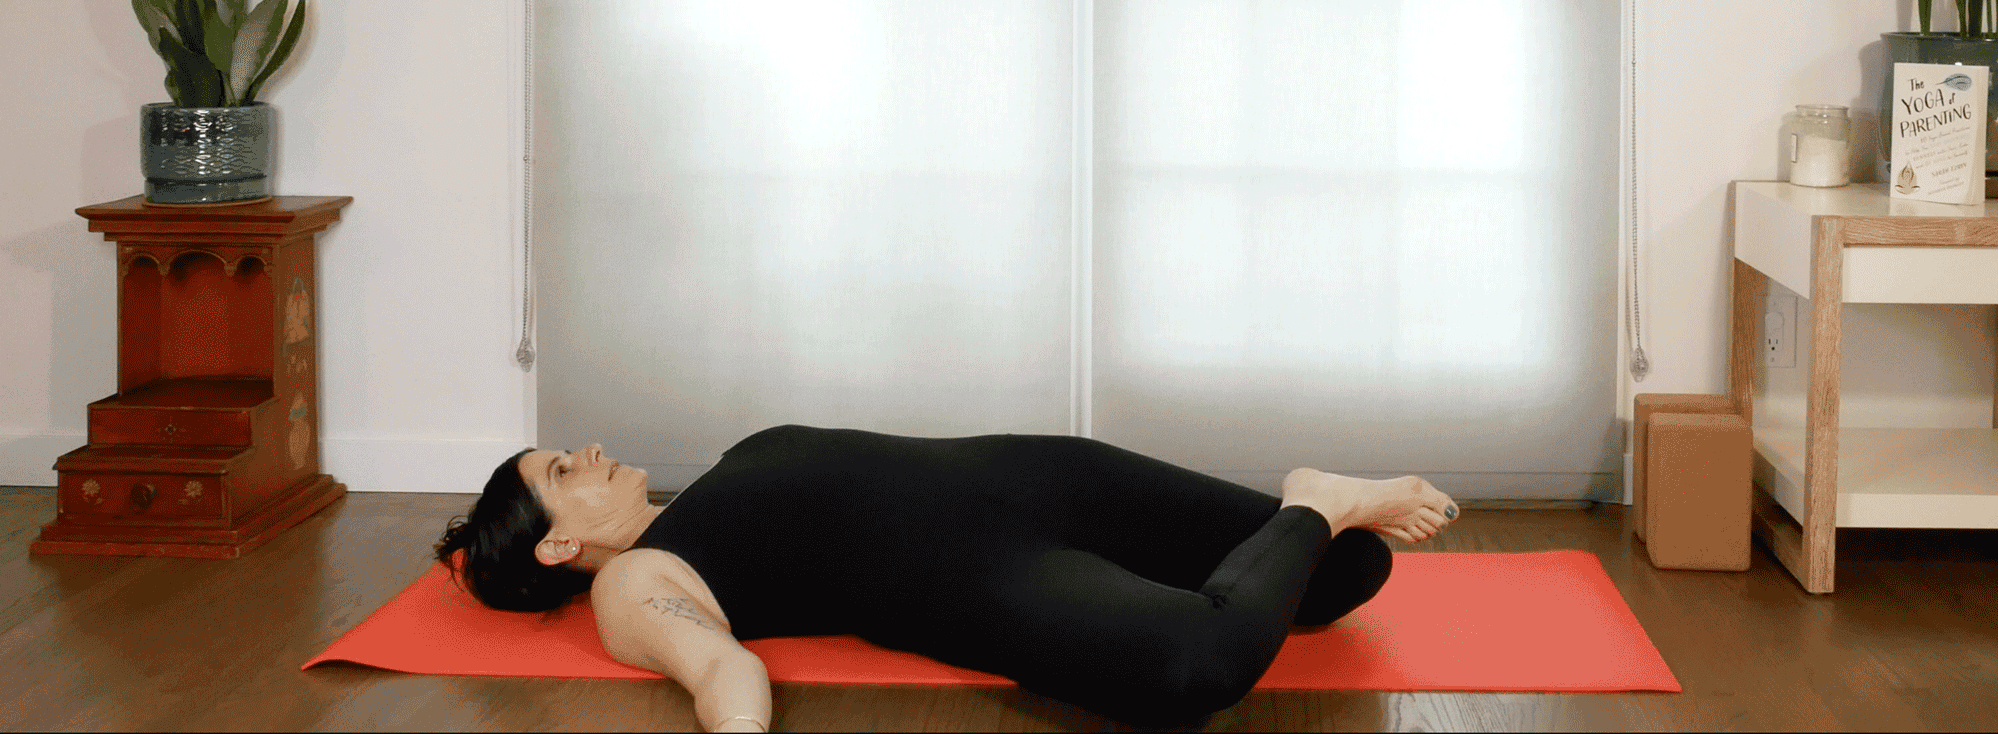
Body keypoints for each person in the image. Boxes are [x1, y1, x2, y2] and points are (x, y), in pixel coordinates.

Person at [434, 425, 1459, 730]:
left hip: (1038, 475)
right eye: (565, 473)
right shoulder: (634, 580)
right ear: (557, 548)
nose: (593, 451)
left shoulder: (703, 483)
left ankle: (1319, 515)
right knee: (1198, 666)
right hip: (987, 568)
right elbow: (717, 672)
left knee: (1347, 573)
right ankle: (1312, 494)